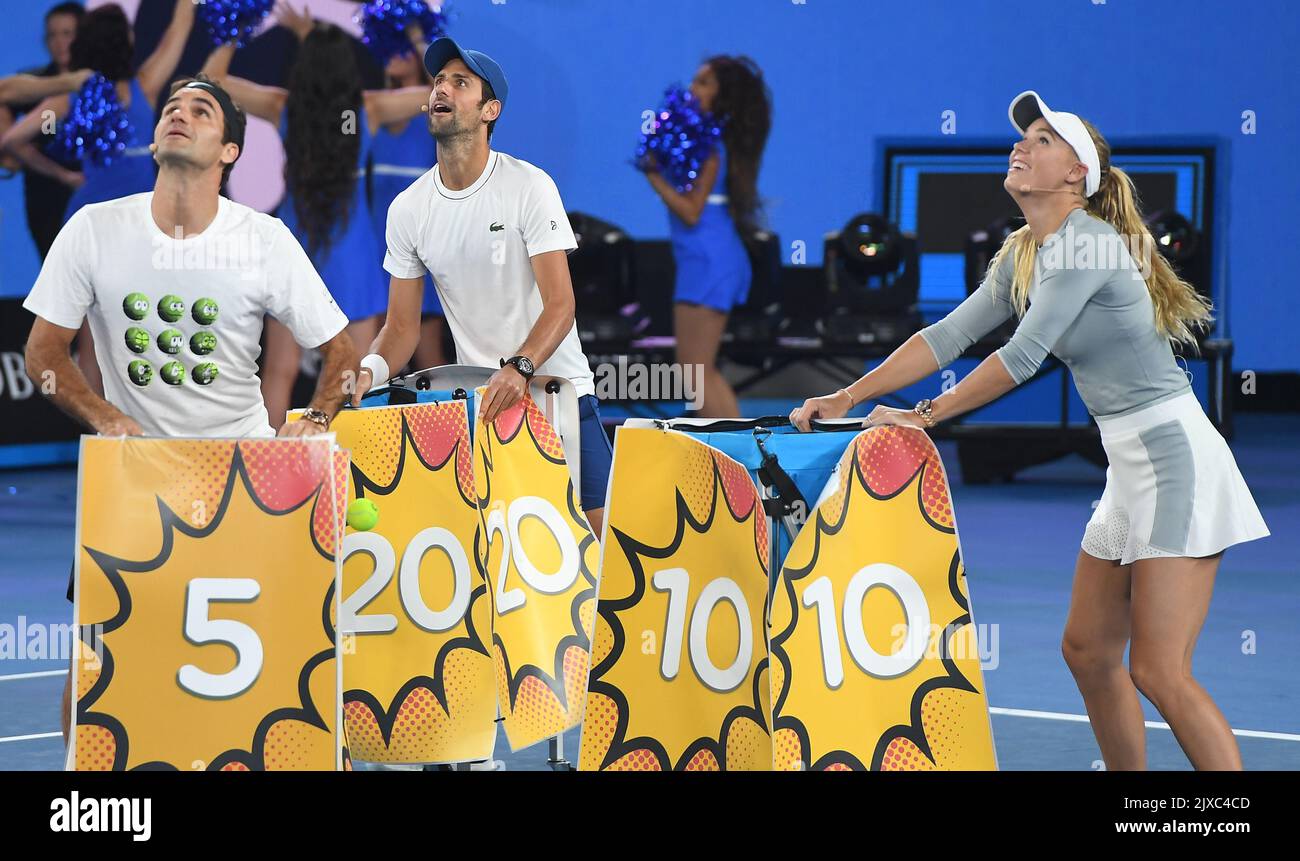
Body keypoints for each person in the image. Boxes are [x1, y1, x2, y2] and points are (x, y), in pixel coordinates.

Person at [790, 91, 1270, 771]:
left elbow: (1020, 356)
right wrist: (849, 393)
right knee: (1087, 650)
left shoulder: (1092, 242)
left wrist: (921, 415)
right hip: (1129, 470)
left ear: (1077, 174)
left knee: (1160, 670)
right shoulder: (1025, 249)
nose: (1022, 145)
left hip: (1176, 460)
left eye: (1043, 139)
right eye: (1024, 137)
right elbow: (949, 335)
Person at [22, 74, 357, 740]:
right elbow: (43, 357)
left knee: (280, 677)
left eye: (201, 110)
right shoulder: (93, 229)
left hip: (245, 484)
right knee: (96, 684)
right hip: (131, 484)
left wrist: (314, 422)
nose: (181, 115)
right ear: (153, 140)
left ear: (230, 151)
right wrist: (106, 417)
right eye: (171, 108)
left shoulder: (264, 239)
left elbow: (343, 356)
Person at [356, 37, 612, 538]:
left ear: (489, 109)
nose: (441, 89)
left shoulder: (529, 186)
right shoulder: (408, 209)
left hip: (558, 395)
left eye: (459, 82)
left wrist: (520, 366)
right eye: (437, 81)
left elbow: (561, 305)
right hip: (479, 407)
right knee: (497, 551)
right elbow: (401, 328)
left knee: (599, 553)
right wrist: (367, 371)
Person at [200, 4, 429, 429]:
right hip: (353, 252)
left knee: (278, 372)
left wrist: (238, 23)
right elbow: (443, 94)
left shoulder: (281, 104)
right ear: (349, 70)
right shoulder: (370, 109)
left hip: (294, 247)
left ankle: (270, 469)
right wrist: (417, 33)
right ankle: (353, 471)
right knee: (357, 374)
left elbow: (208, 84)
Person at [2, 0, 197, 397]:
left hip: (118, 225)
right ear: (125, 41)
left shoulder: (78, 94)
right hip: (114, 229)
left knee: (113, 333)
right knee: (132, 329)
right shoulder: (137, 85)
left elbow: (11, 141)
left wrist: (66, 175)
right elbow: (178, 32)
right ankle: (111, 434)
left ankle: (108, 431)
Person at [642, 56, 771, 418]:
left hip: (709, 263)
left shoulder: (710, 147)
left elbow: (691, 210)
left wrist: (652, 175)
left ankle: (739, 460)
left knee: (696, 373)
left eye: (703, 82)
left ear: (722, 94)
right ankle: (738, 458)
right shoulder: (704, 143)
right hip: (702, 261)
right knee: (696, 372)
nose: (692, 89)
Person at [369, 35, 448, 371]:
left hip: (421, 244)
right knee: (374, 358)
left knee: (427, 359)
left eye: (403, 50)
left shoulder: (434, 115)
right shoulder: (373, 111)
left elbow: (448, 99)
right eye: (388, 45)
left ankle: (455, 421)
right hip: (375, 248)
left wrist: (418, 36)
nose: (393, 55)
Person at [0, 1, 87, 259]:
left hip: (93, 189)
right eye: (52, 35)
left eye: (67, 33)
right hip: (45, 193)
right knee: (54, 269)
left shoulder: (102, 82)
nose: (59, 42)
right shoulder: (32, 82)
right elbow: (4, 95)